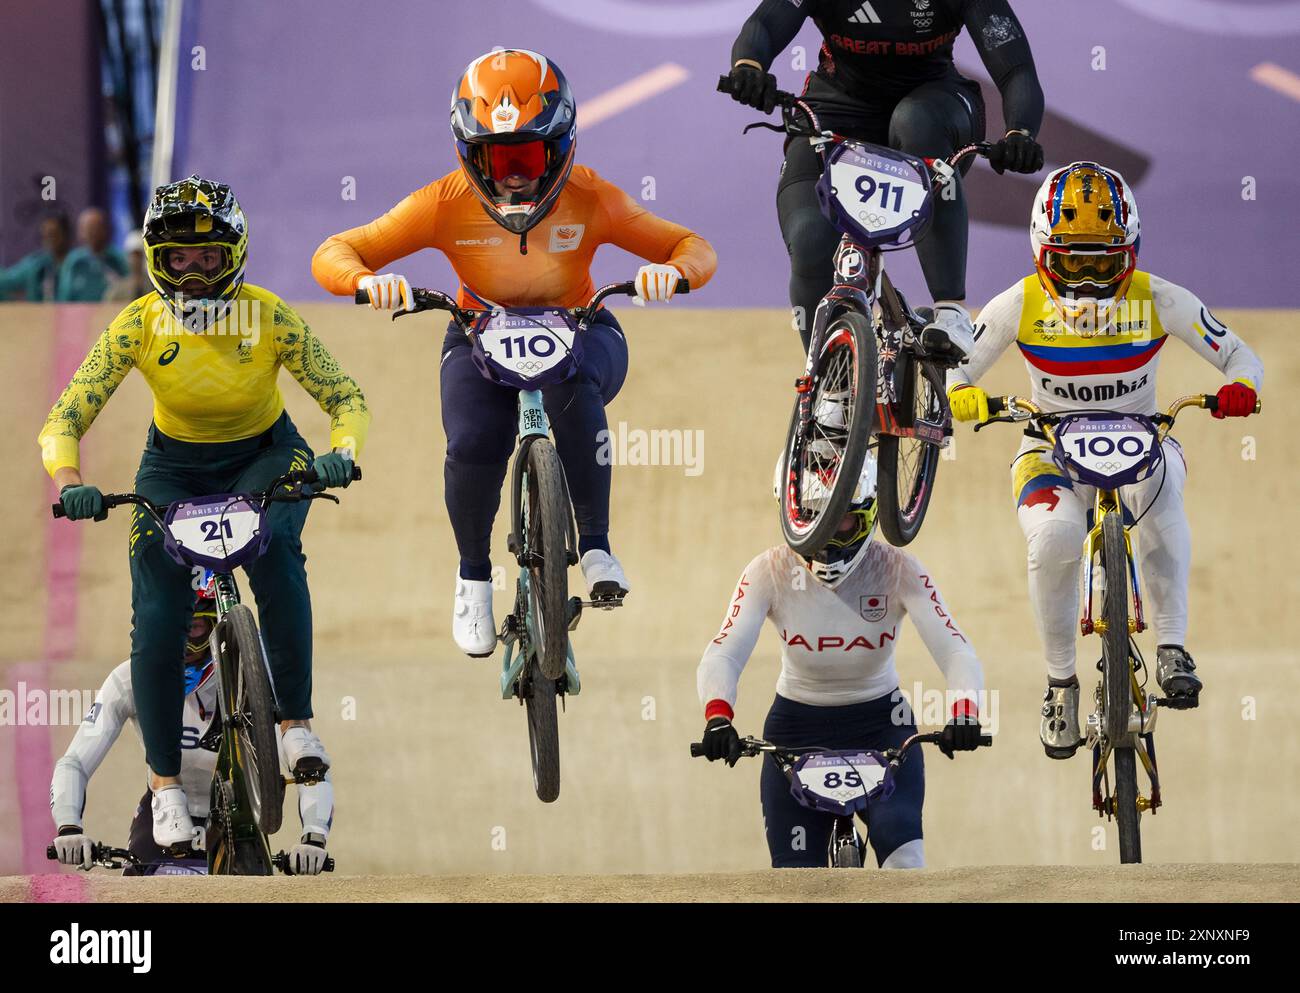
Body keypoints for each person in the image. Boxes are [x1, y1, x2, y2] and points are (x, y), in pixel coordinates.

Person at [312, 49, 717, 657]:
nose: (513, 176)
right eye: (496, 159)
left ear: (560, 149)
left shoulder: (592, 197)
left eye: (526, 156)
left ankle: (597, 546)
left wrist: (674, 273)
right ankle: (473, 576)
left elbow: (692, 246)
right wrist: (365, 281)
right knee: (473, 442)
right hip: (476, 333)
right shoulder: (444, 202)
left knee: (570, 381)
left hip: (582, 325)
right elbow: (338, 250)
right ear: (469, 157)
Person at [38, 174, 369, 850]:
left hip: (269, 455)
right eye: (178, 260)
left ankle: (294, 724)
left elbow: (346, 397)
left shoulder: (270, 315)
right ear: (159, 262)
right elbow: (66, 416)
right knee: (157, 617)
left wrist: (341, 451)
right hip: (171, 470)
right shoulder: (137, 323)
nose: (192, 275)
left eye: (208, 258)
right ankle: (165, 786)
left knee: (276, 549)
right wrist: (71, 480)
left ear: (234, 256)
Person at [946, 162, 1264, 758]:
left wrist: (1241, 384)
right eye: (1075, 262)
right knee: (1054, 539)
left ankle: (1172, 646)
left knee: (1165, 500)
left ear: (1131, 254)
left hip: (1143, 441)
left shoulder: (1161, 297)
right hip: (1049, 447)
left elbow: (1241, 356)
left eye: (1104, 262)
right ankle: (1060, 682)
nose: (1090, 281)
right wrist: (959, 392)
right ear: (1043, 253)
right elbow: (951, 369)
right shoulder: (1018, 303)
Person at [695, 456, 985, 868]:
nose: (829, 533)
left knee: (906, 865)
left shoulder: (897, 568)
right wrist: (718, 717)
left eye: (843, 520)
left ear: (867, 515)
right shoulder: (769, 571)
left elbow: (956, 649)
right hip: (796, 729)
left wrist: (964, 713)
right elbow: (725, 650)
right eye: (815, 517)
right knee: (796, 884)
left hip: (883, 726)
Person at [723, 0, 1045, 353]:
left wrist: (1020, 134)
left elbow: (1016, 69)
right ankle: (832, 385)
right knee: (810, 238)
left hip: (937, 109)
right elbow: (765, 26)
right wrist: (749, 66)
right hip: (838, 108)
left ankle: (951, 313)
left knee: (915, 121)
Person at [50, 583, 335, 875]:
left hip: (239, 826)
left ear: (215, 624)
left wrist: (313, 837)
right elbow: (74, 762)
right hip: (161, 821)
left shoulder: (258, 675)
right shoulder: (127, 679)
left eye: (194, 626)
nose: (182, 637)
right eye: (175, 624)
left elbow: (309, 762)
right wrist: (69, 826)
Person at [57, 207, 128, 302]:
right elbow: (64, 297)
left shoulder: (119, 258)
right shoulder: (74, 261)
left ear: (105, 229)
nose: (92, 233)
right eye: (88, 228)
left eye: (96, 228)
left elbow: (129, 288)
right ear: (80, 232)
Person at [0, 212, 71, 301]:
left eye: (53, 234)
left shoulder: (80, 264)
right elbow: (7, 280)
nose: (48, 239)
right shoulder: (35, 264)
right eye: (45, 235)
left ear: (66, 234)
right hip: (40, 314)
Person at [106, 231, 150, 302]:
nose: (135, 260)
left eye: (138, 255)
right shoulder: (119, 289)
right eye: (132, 255)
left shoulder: (155, 286)